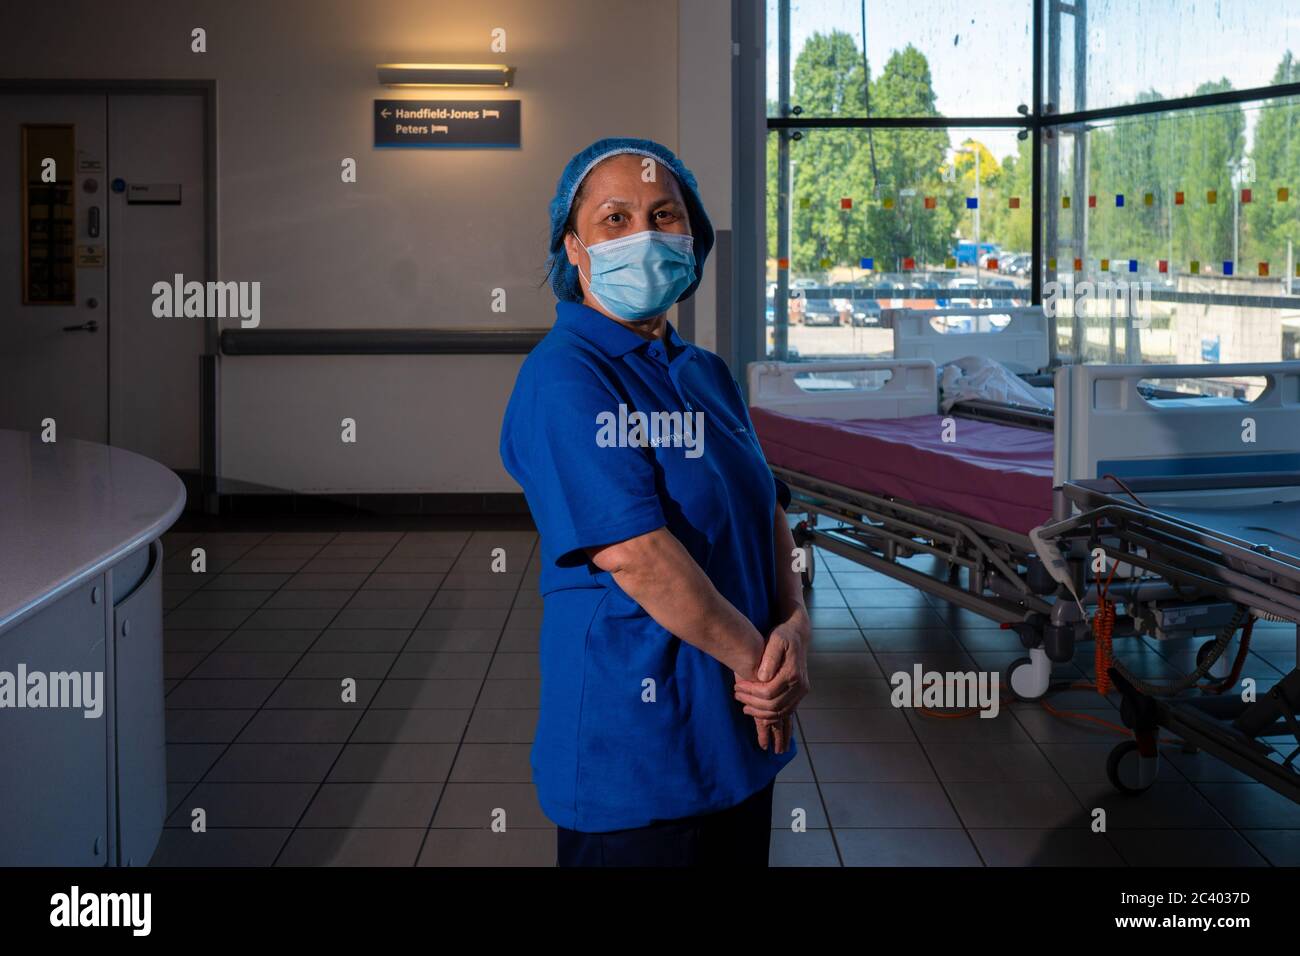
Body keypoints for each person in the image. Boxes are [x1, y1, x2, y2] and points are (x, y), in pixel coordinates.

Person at [499, 137, 810, 867]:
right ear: (573, 249)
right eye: (614, 219)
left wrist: (795, 623)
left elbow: (767, 510)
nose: (643, 234)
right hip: (638, 752)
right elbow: (636, 555)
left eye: (662, 213)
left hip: (740, 733)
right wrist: (763, 669)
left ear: (691, 237)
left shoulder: (704, 372)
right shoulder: (565, 378)